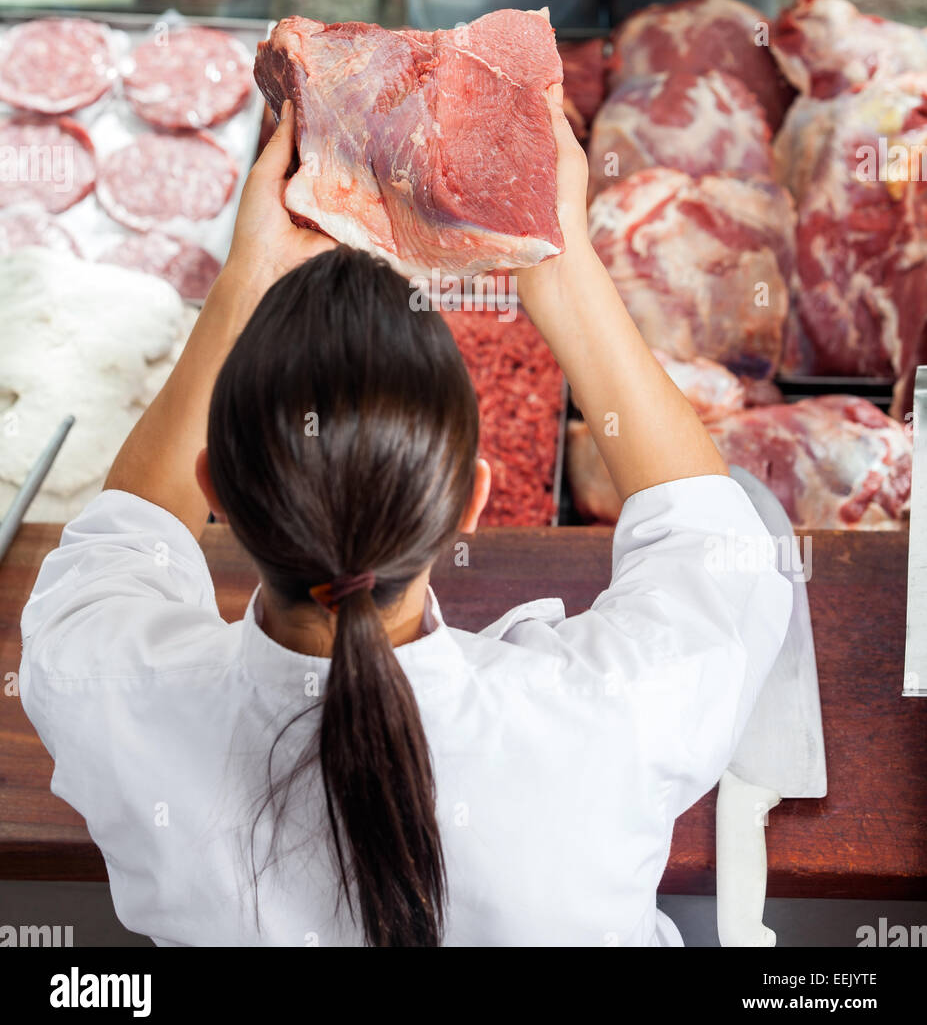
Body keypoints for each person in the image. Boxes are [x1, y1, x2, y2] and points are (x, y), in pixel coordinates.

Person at [19, 96, 791, 947]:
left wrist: (245, 278)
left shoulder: (107, 690)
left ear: (219, 491)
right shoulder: (606, 721)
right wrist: (557, 264)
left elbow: (126, 532)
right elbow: (710, 541)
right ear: (470, 502)